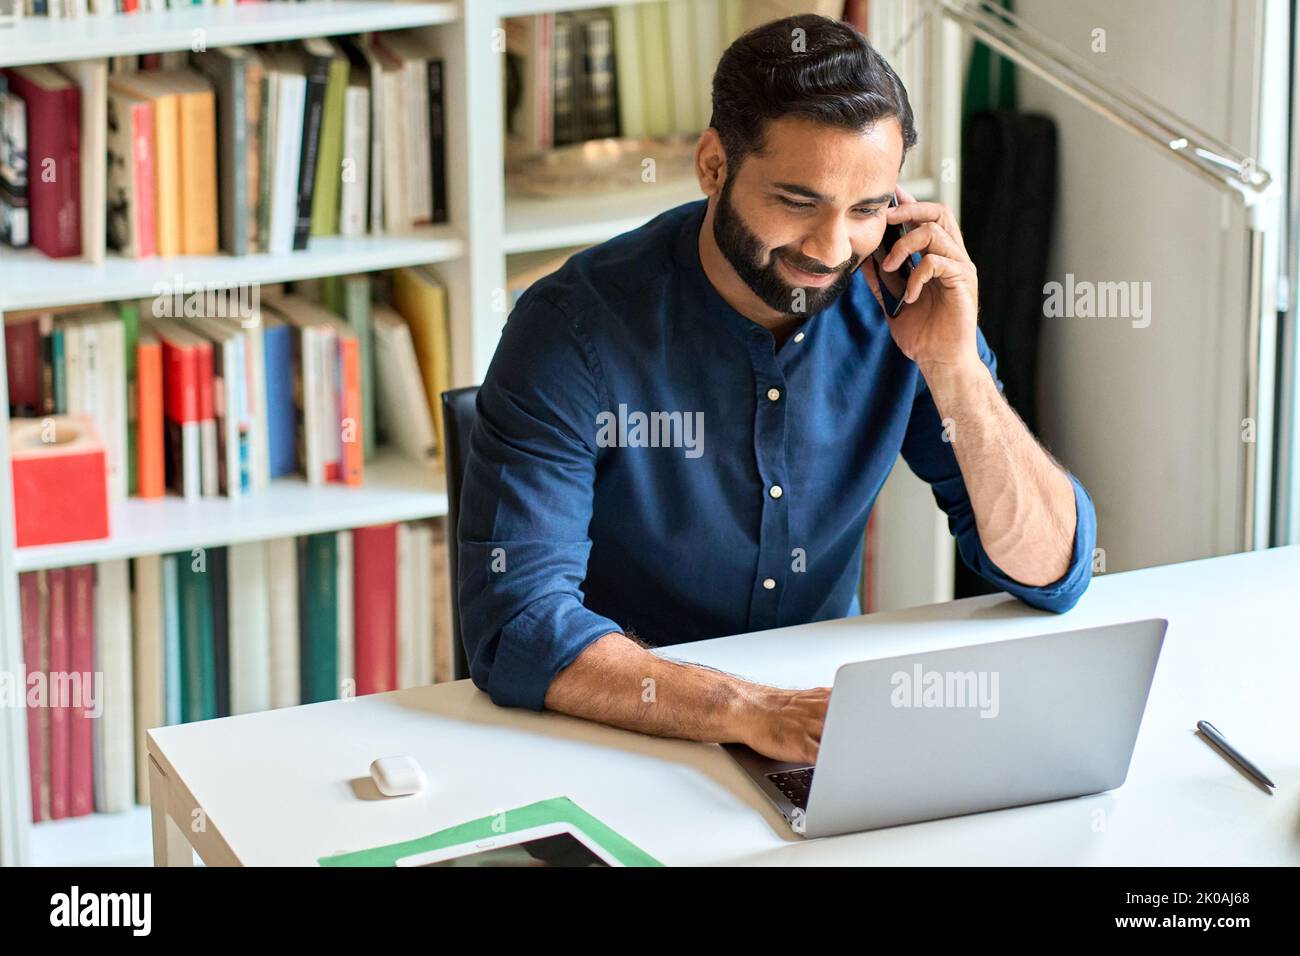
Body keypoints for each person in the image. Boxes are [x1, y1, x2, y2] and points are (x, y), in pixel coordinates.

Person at [458, 13, 1096, 766]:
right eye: (797, 202)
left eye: (866, 210)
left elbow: (1053, 572)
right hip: (619, 735)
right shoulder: (571, 329)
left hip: (819, 729)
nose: (831, 251)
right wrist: (748, 709)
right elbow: (519, 627)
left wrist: (954, 367)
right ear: (713, 166)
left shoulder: (904, 304)